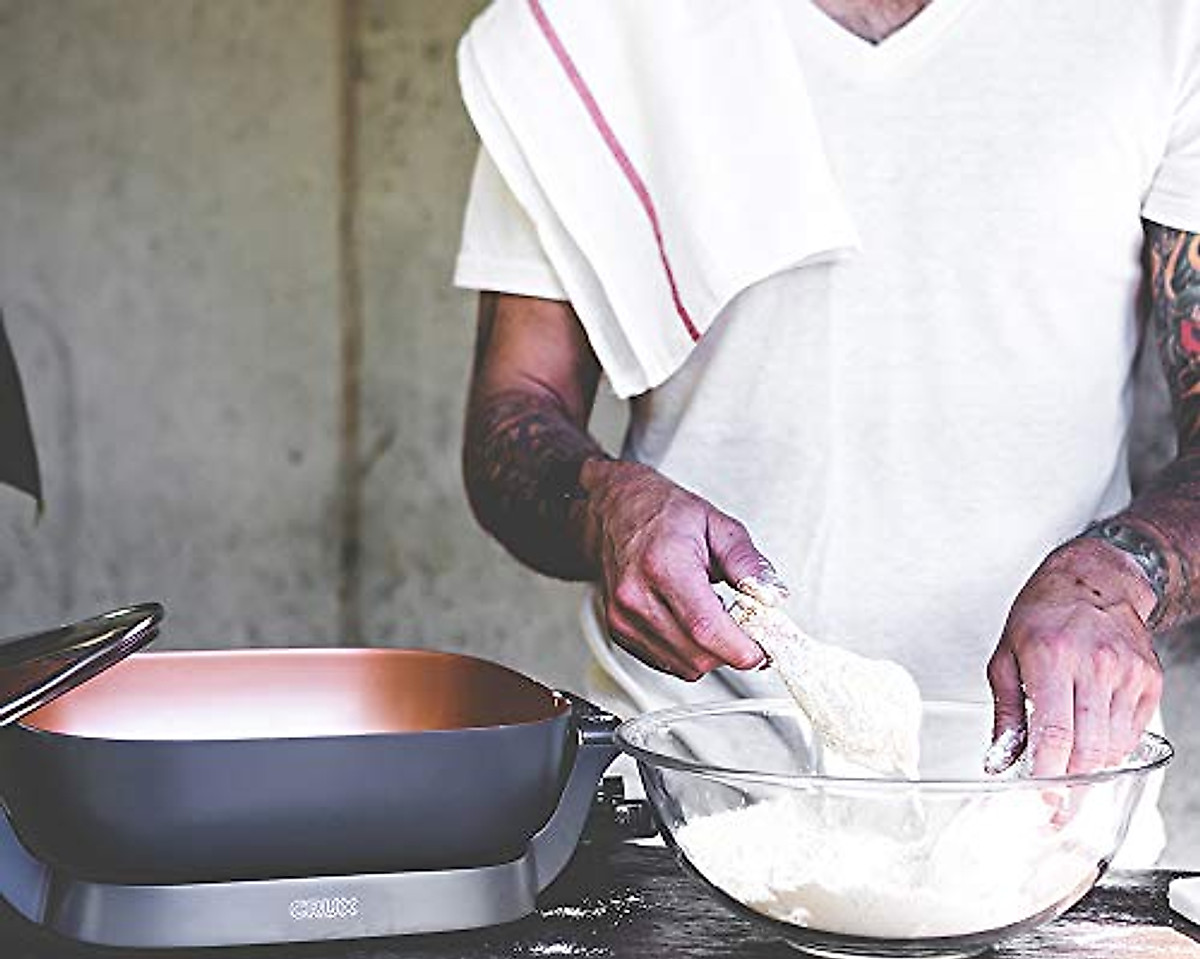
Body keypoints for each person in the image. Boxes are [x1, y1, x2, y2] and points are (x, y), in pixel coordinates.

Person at [453, 0, 1200, 865]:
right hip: (691, 799)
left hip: (1051, 812)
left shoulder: (1162, 23)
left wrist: (1116, 580)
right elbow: (516, 408)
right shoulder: (588, 36)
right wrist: (604, 509)